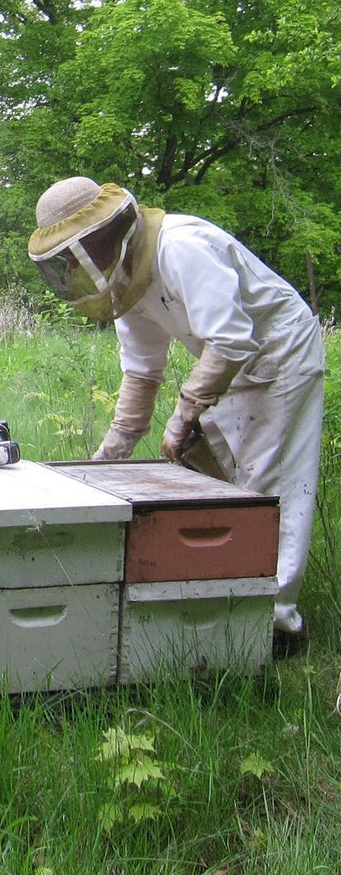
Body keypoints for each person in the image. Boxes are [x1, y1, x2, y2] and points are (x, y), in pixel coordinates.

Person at [28, 176, 326, 650]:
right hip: (232, 363)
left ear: (98, 237)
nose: (72, 266)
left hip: (278, 354)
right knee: (222, 476)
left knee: (270, 484)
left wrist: (184, 416)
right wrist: (108, 457)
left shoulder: (182, 247)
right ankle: (226, 602)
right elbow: (143, 374)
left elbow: (230, 338)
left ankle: (276, 624)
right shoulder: (127, 284)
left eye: (73, 253)